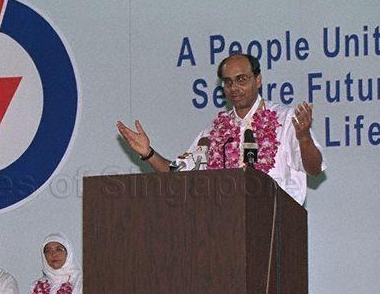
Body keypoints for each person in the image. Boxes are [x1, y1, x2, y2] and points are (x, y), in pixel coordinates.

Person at [116, 53, 325, 205]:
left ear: (258, 80)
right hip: (224, 231)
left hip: (276, 227)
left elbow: (314, 169)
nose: (234, 88)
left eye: (241, 79)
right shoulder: (215, 131)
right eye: (228, 82)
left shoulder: (286, 118)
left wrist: (304, 138)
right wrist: (148, 153)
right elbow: (178, 175)